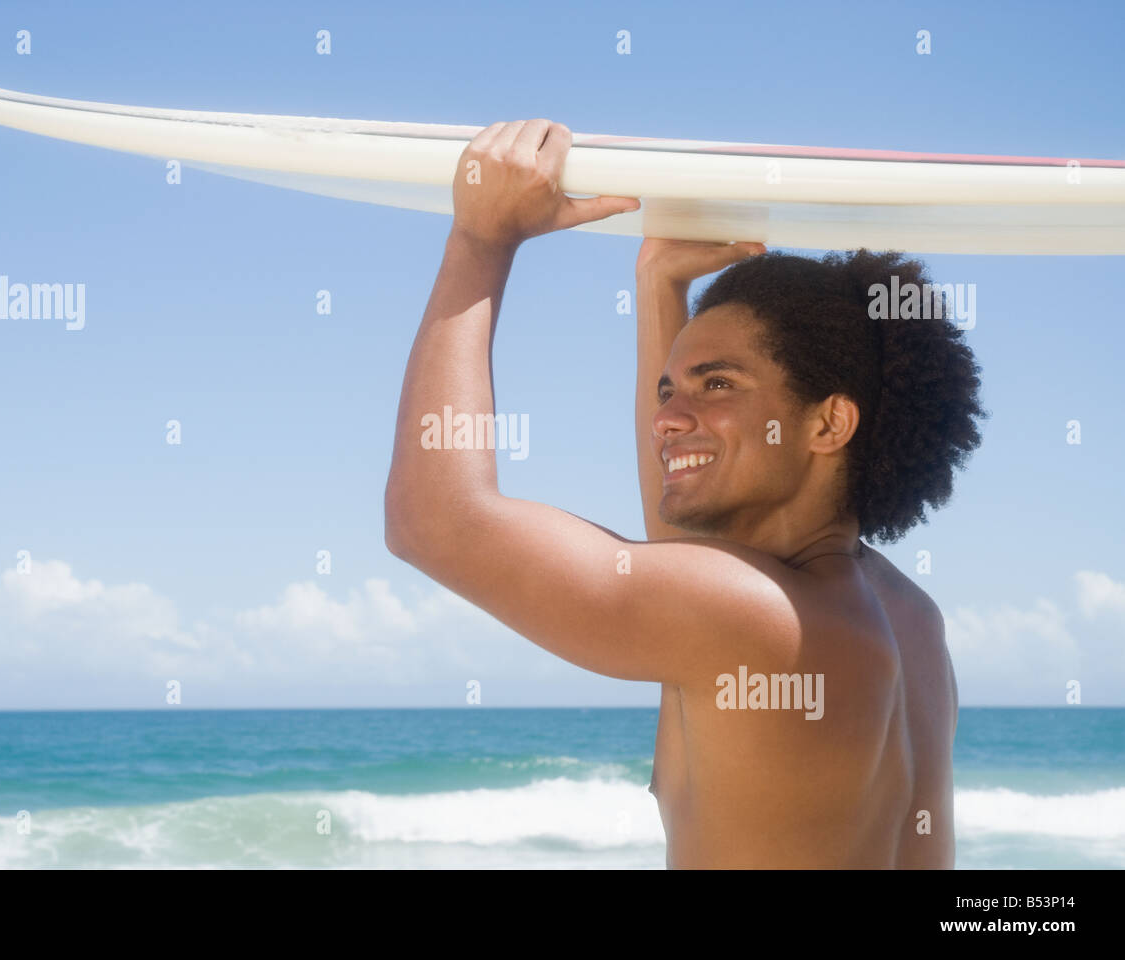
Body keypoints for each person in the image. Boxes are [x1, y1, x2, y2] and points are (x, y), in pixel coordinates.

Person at [384, 119, 985, 867]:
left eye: (718, 384)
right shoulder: (910, 622)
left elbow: (433, 523)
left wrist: (480, 242)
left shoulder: (751, 615)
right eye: (670, 388)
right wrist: (659, 283)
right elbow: (689, 553)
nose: (667, 418)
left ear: (829, 422)